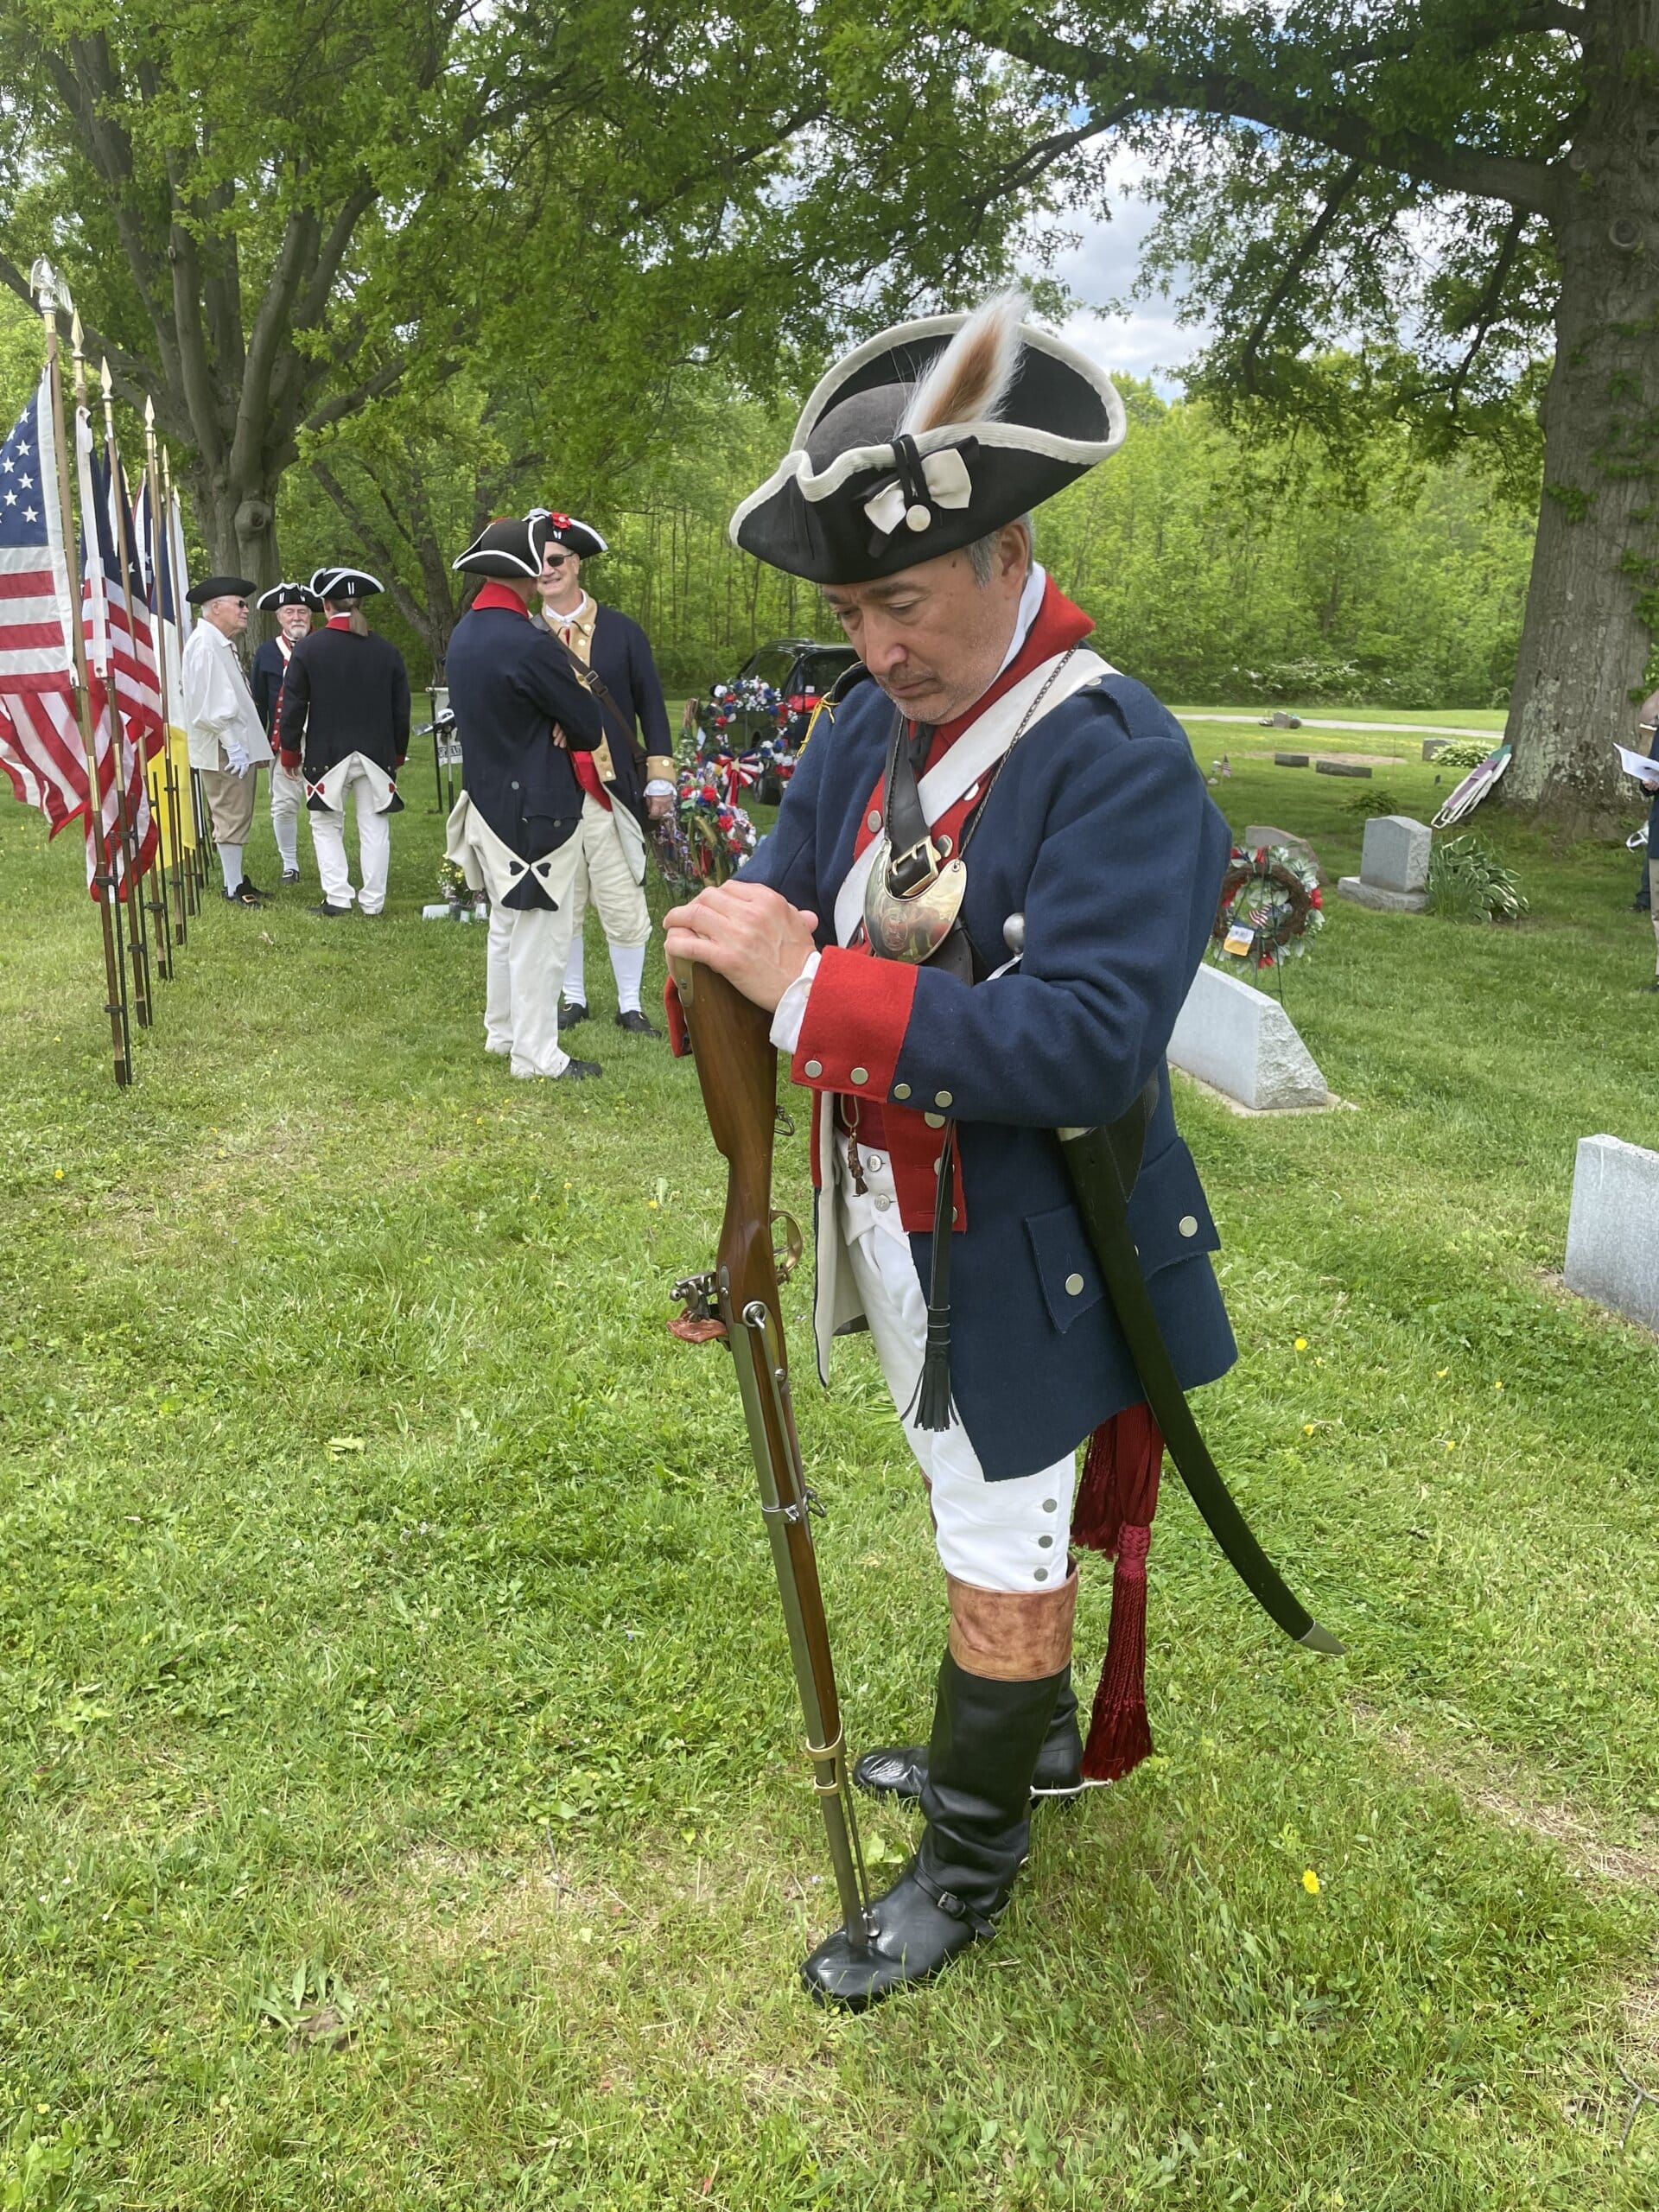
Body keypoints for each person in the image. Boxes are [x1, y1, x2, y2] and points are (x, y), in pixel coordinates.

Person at [663, 296, 1238, 2010]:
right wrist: (736, 972)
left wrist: (809, 984)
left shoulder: (1119, 755)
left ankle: (972, 1859)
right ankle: (1026, 1741)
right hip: (890, 1205)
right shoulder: (864, 726)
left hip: (1039, 1234)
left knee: (1001, 1525)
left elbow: (1087, 1041)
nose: (875, 645)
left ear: (1008, 554)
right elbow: (781, 899)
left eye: (900, 602)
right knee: (972, 1489)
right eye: (851, 611)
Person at [442, 514, 609, 1078]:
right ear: (526, 569)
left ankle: (504, 1031)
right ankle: (537, 1055)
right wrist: (559, 717)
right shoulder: (526, 641)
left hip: (486, 801)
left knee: (507, 923)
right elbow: (586, 723)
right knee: (541, 931)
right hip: (536, 805)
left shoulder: (465, 634)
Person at [528, 512, 677, 1036]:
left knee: (620, 896)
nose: (547, 571)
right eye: (538, 563)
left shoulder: (623, 631)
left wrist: (660, 776)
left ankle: (630, 1004)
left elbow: (651, 705)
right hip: (554, 789)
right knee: (564, 900)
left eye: (555, 560)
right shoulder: (524, 635)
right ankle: (573, 998)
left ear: (576, 564)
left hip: (613, 791)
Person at [276, 567, 410, 918]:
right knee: (375, 826)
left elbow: (293, 706)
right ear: (359, 603)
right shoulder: (387, 650)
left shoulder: (308, 649)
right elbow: (401, 708)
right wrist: (398, 752)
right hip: (377, 754)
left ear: (325, 605)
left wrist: (289, 752)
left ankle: (337, 897)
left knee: (325, 825)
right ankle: (373, 902)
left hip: (327, 753)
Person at [181, 574, 273, 906]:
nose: (246, 610)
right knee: (230, 812)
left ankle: (235, 880)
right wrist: (233, 745)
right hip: (223, 745)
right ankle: (233, 887)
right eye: (240, 604)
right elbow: (209, 704)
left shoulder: (215, 642)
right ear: (216, 607)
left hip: (231, 743)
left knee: (236, 810)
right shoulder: (206, 645)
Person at [251, 582, 322, 884]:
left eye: (302, 611)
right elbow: (258, 701)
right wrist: (260, 744)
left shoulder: (325, 646)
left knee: (327, 806)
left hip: (322, 739)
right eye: (290, 611)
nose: (296, 617)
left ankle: (329, 864)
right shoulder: (267, 653)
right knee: (283, 805)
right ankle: (290, 865)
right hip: (284, 741)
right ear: (279, 617)